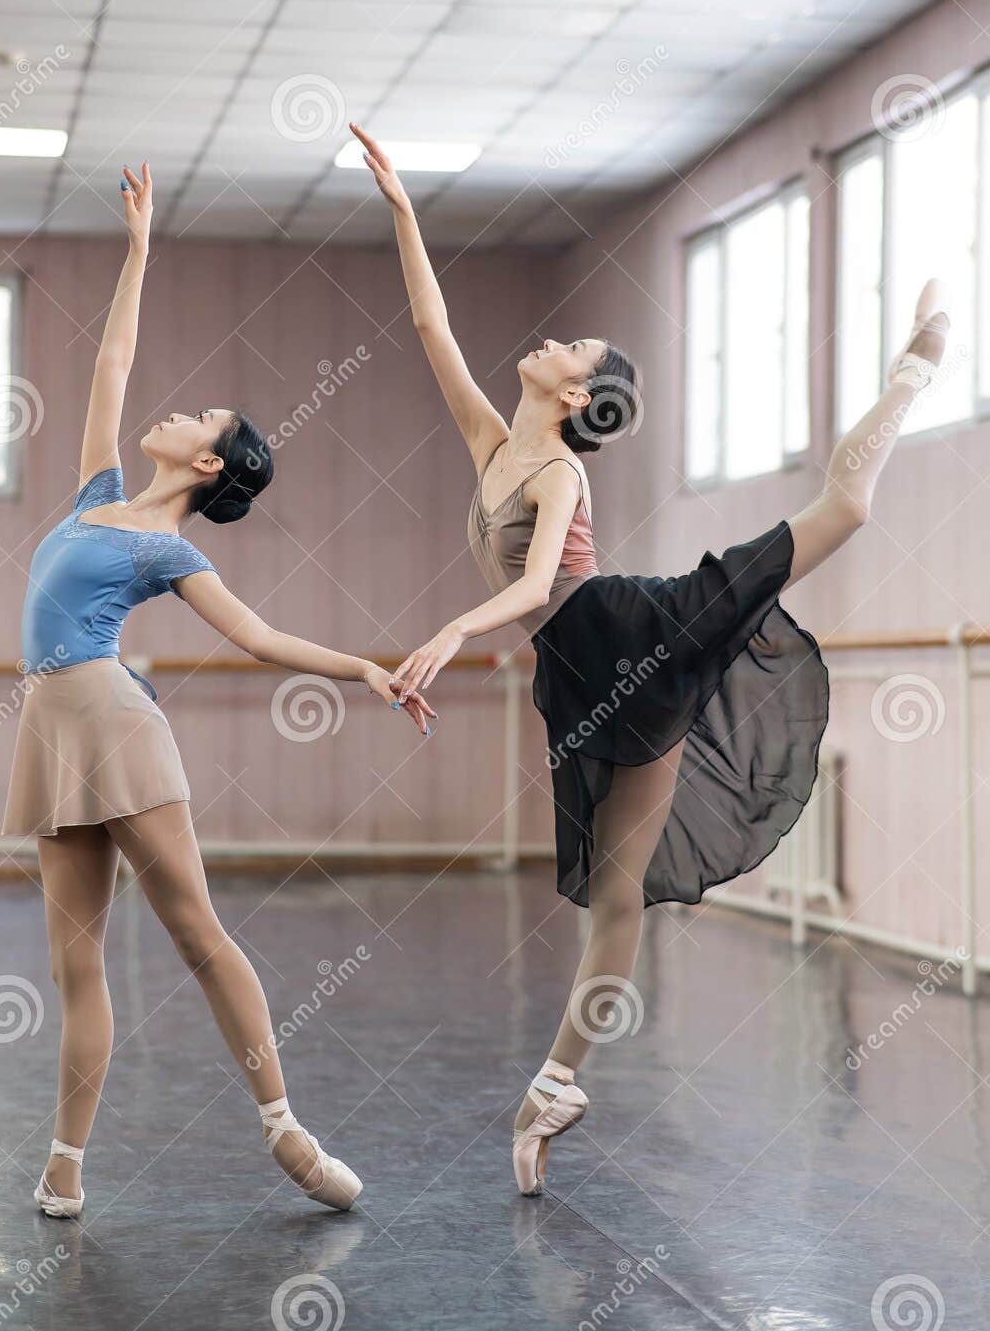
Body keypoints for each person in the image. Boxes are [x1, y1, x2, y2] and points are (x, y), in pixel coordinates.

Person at [351, 121, 948, 1198]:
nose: (555, 342)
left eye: (573, 348)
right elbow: (430, 324)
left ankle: (915, 367)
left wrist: (449, 629)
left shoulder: (559, 478)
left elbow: (538, 589)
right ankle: (553, 1092)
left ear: (579, 399)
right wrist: (401, 205)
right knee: (615, 904)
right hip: (580, 671)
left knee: (842, 509)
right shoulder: (496, 441)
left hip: (636, 633)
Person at [4, 163, 434, 1220]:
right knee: (77, 965)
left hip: (116, 724)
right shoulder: (101, 493)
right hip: (51, 730)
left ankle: (286, 1127)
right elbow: (111, 361)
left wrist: (365, 667)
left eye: (204, 415)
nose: (180, 407)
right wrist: (141, 244)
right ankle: (65, 1162)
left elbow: (258, 636)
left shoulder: (167, 551)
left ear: (206, 464)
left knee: (197, 932)